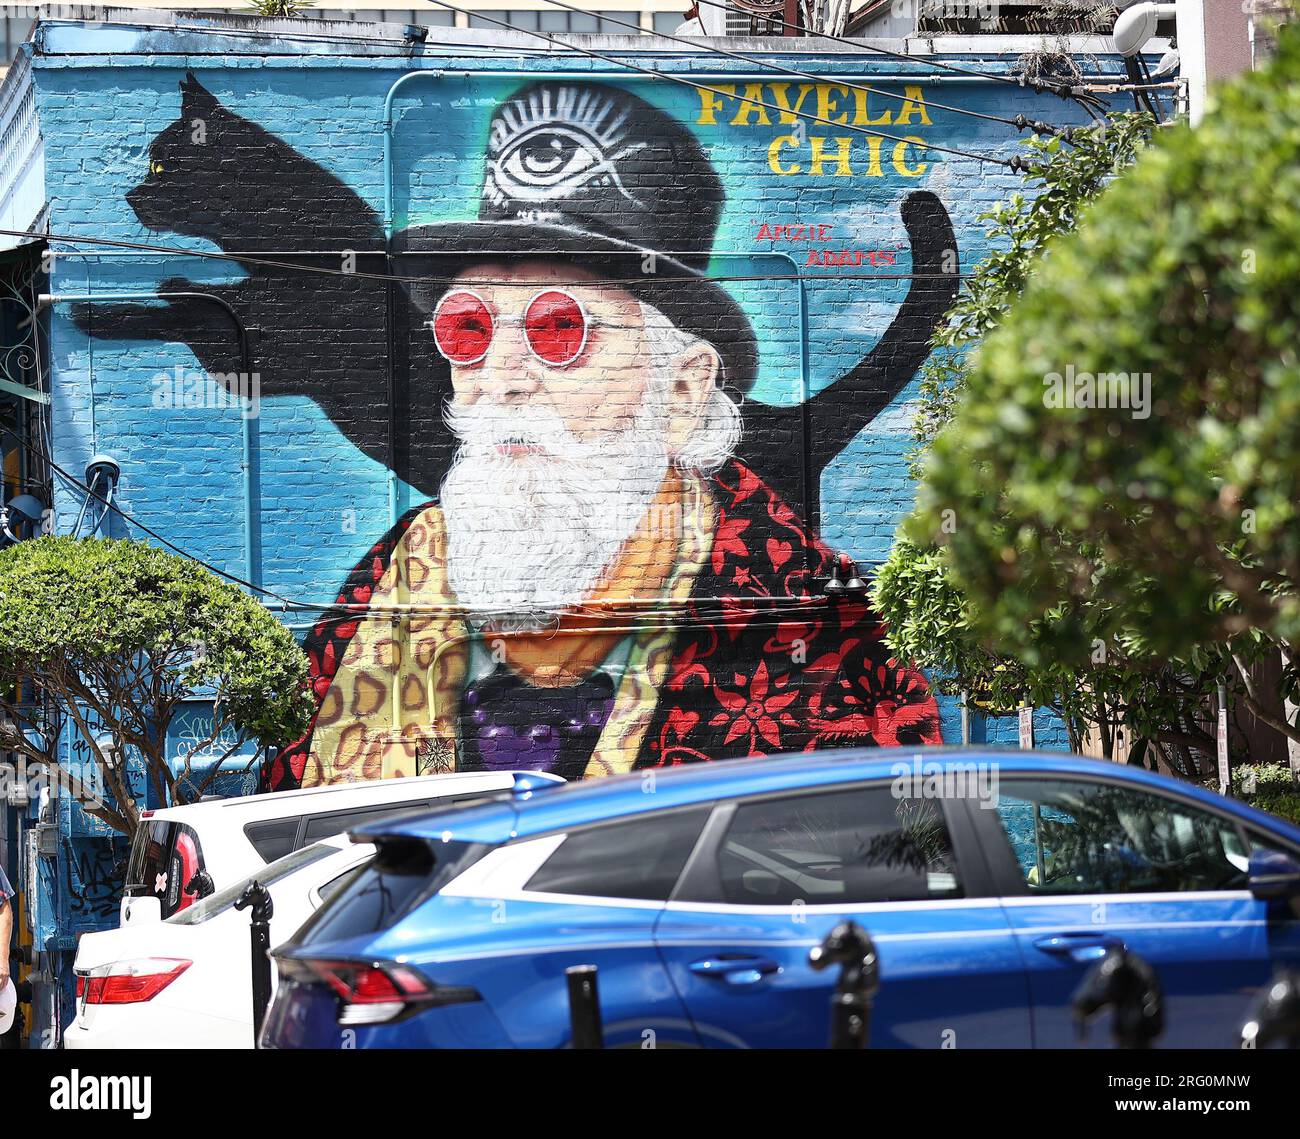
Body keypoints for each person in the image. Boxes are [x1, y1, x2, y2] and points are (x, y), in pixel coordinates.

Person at [268, 81, 943, 789]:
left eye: (557, 328)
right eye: (467, 329)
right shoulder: (391, 579)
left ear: (681, 393)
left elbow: (888, 855)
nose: (501, 379)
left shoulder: (812, 621)